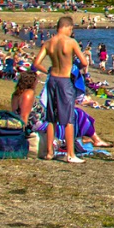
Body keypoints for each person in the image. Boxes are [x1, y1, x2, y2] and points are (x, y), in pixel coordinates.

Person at [34, 16, 91, 164]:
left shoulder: (48, 43)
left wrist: (48, 71)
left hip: (52, 79)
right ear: (68, 27)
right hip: (65, 80)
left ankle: (49, 152)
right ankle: (71, 154)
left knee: (51, 118)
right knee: (68, 119)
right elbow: (84, 62)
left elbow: (36, 63)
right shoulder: (70, 42)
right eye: (71, 29)